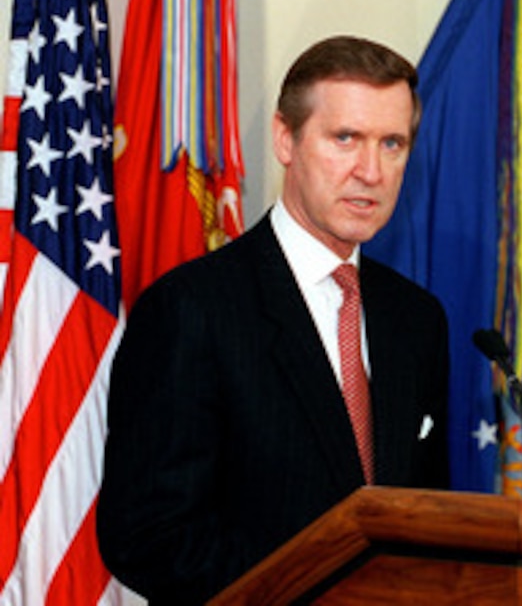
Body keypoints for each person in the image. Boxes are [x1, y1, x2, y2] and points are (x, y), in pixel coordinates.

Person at [97, 36, 450, 603]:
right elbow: (148, 534)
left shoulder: (416, 318)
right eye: (345, 139)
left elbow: (429, 511)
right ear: (286, 139)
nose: (371, 170)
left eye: (392, 143)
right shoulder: (192, 308)